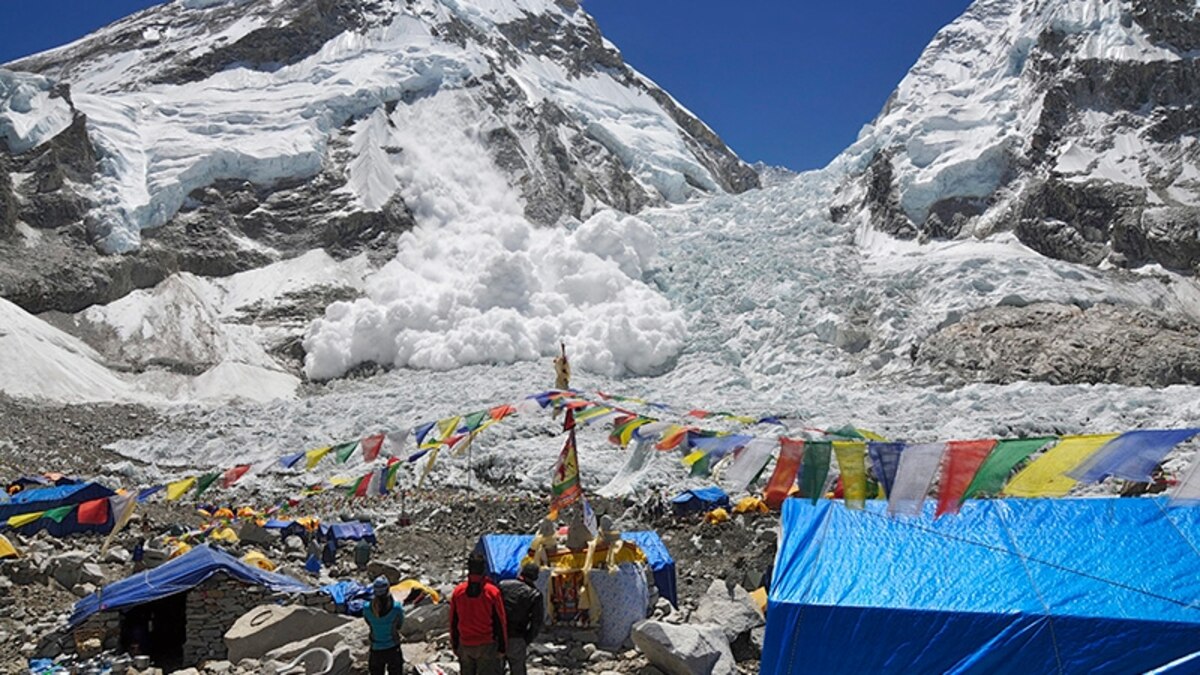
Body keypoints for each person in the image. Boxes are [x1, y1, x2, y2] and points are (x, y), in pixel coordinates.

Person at [450, 553, 508, 675]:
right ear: (483, 569)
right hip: (486, 644)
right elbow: (500, 621)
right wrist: (502, 646)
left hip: (465, 644)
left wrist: (455, 644)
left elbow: (453, 620)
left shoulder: (458, 592)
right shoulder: (492, 592)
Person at [498, 563, 543, 675]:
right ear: (536, 577)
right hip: (517, 638)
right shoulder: (534, 594)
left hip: (497, 636)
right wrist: (527, 639)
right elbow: (536, 622)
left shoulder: (503, 585)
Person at [363, 577, 404, 675]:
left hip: (376, 648)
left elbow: (368, 622)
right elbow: (399, 625)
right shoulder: (396, 608)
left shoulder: (367, 608)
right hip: (393, 648)